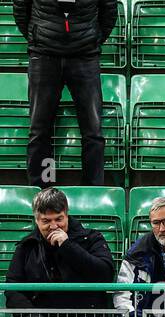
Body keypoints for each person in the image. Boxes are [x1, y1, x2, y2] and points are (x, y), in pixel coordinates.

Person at [1, 187, 115, 317]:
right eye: (46, 221)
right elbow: (13, 290)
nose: (54, 226)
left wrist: (68, 246)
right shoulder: (27, 246)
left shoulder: (91, 238)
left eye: (59, 219)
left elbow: (105, 274)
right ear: (36, 220)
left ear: (67, 215)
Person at [19, 0, 114, 185]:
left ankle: (91, 190)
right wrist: (38, 37)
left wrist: (92, 39)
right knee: (40, 131)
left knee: (93, 132)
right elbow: (21, 8)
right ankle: (44, 188)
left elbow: (109, 11)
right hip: (44, 55)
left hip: (85, 56)